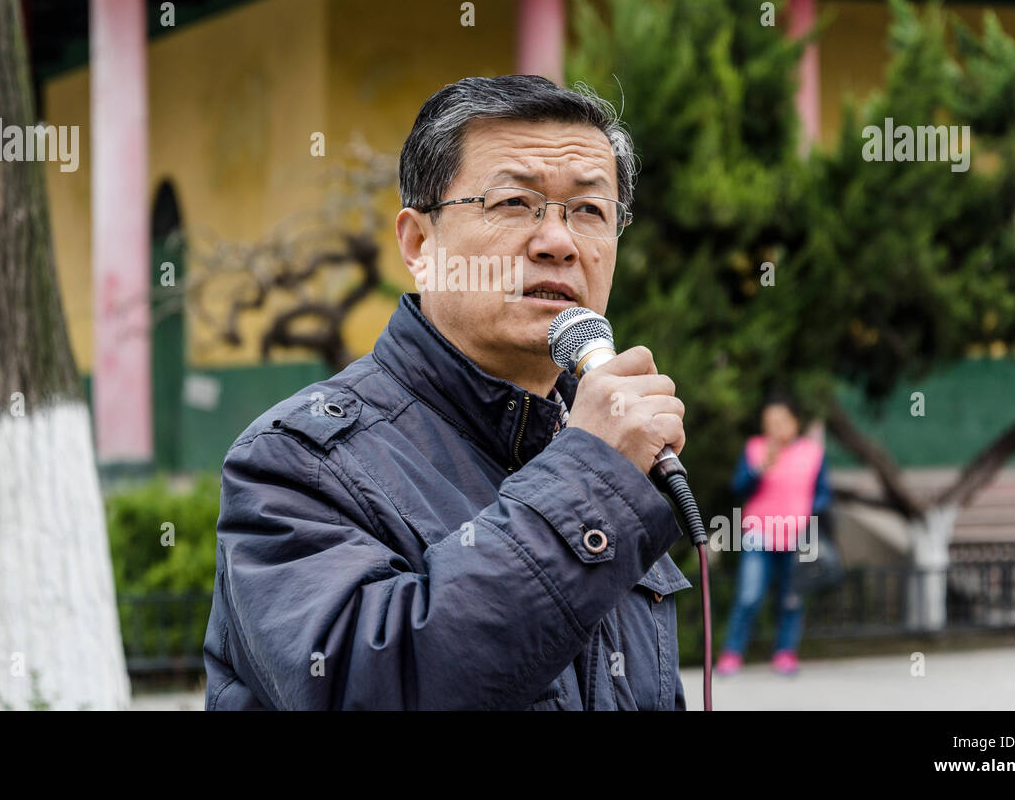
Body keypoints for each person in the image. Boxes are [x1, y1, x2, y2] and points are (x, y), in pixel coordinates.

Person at [203, 75, 692, 710]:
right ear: (419, 243)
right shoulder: (297, 463)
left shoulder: (607, 452)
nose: (560, 243)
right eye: (514, 203)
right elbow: (371, 689)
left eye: (590, 211)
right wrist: (588, 484)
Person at [716, 393, 832, 677]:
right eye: (770, 422)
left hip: (797, 536)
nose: (775, 428)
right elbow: (739, 488)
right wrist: (759, 469)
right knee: (749, 595)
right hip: (758, 534)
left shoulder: (812, 453)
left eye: (781, 421)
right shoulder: (755, 448)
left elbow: (823, 494)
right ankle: (732, 653)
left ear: (795, 422)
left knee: (792, 598)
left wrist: (807, 510)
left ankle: (785, 652)